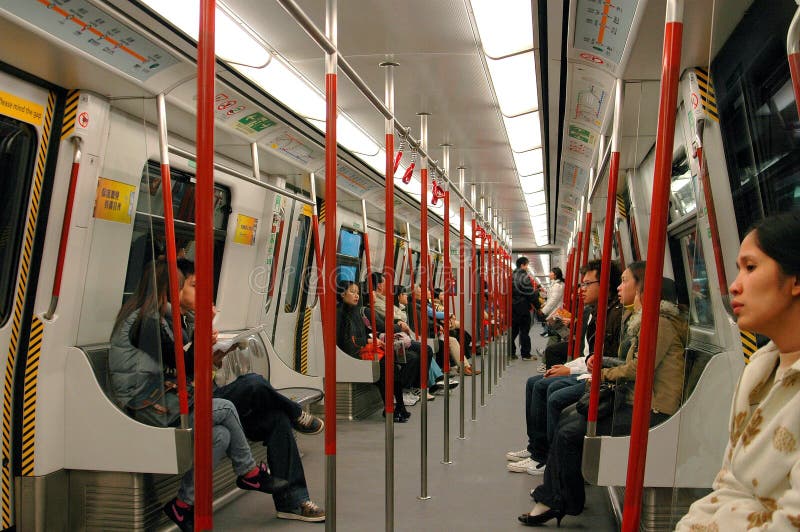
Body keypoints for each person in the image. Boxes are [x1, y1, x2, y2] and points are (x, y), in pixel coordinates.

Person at [108, 261, 290, 532]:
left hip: (160, 396)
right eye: (183, 287)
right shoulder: (144, 322)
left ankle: (182, 506)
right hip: (145, 403)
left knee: (221, 436)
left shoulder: (155, 317)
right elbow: (181, 361)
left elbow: (183, 357)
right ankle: (250, 473)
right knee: (226, 408)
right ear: (170, 289)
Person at [520, 268, 687, 526]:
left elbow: (638, 369)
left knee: (568, 430)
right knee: (567, 419)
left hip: (652, 409)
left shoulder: (659, 324)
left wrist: (602, 372)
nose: (619, 287)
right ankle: (555, 496)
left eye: (624, 281)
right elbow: (634, 363)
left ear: (644, 289)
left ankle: (560, 499)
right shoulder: (646, 321)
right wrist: (603, 365)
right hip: (635, 400)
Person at [175, 259, 325, 522]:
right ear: (175, 290)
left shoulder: (191, 321)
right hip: (198, 406)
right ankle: (296, 413)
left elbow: (199, 372)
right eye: (194, 286)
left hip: (211, 401)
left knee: (276, 421)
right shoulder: (171, 326)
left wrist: (219, 354)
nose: (202, 293)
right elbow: (181, 376)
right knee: (254, 383)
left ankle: (293, 501)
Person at [677, 212, 800, 531]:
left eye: (750, 267)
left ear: (796, 280)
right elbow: (729, 483)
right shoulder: (759, 370)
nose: (735, 286)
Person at [506, 259, 623, 475]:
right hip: (589, 369)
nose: (581, 289)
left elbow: (599, 359)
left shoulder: (612, 315)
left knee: (547, 389)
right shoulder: (596, 311)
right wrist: (567, 367)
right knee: (534, 382)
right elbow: (590, 355)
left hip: (601, 378)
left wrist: (569, 369)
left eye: (587, 284)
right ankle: (536, 448)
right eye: (582, 284)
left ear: (604, 284)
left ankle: (544, 457)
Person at [336, 280, 415, 422]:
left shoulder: (356, 311)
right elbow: (347, 343)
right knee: (384, 368)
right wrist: (369, 341)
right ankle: (389, 408)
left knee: (392, 366)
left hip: (363, 349)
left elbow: (361, 335)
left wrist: (372, 340)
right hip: (352, 355)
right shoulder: (340, 315)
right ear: (342, 294)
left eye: (357, 293)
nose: (356, 296)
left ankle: (400, 406)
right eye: (352, 292)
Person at [512, 256, 538, 360]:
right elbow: (530, 293)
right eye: (527, 265)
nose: (527, 267)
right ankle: (526, 354)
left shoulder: (511, 275)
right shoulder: (524, 277)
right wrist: (538, 306)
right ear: (522, 265)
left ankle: (511, 353)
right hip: (523, 308)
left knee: (513, 331)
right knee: (524, 332)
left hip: (513, 308)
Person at [539, 267, 565, 336]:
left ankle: (565, 344)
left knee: (562, 332)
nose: (549, 274)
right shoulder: (554, 284)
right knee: (559, 331)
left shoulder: (557, 285)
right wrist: (545, 304)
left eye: (551, 272)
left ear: (555, 275)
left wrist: (544, 310)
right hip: (555, 309)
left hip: (558, 310)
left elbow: (554, 300)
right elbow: (550, 298)